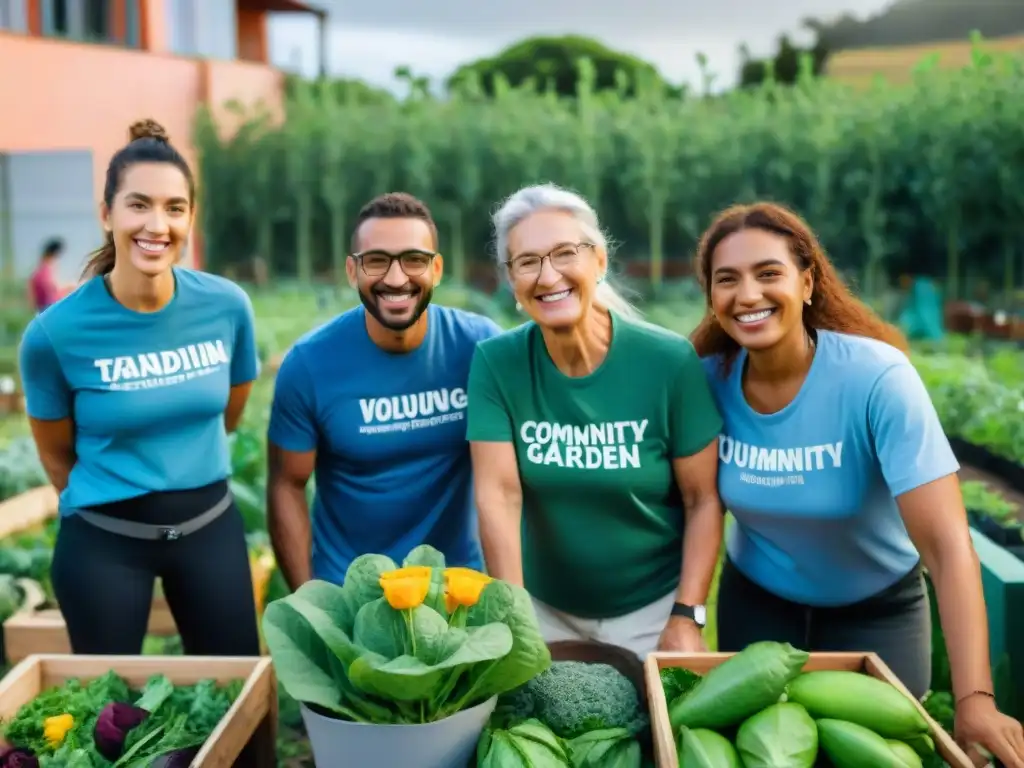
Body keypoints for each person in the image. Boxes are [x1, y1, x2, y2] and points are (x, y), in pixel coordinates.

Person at [690, 202, 1024, 767]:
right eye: (728, 279)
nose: (747, 294)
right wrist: (687, 616)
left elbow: (946, 548)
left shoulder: (876, 380)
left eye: (768, 273)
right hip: (757, 608)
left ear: (808, 281)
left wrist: (975, 699)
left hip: (877, 612)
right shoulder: (704, 383)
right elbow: (695, 505)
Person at [17, 119, 261, 657]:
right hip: (105, 545)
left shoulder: (227, 307)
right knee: (109, 718)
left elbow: (229, 412)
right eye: (139, 205)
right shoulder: (54, 335)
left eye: (175, 208)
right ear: (107, 215)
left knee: (239, 695)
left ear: (190, 217)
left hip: (209, 529)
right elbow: (58, 458)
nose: (158, 224)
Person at [466, 183, 723, 660]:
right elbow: (499, 495)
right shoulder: (497, 364)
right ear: (511, 279)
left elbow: (702, 498)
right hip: (542, 609)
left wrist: (688, 615)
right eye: (527, 262)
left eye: (565, 253)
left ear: (599, 261)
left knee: (660, 734)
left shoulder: (667, 362)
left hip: (652, 610)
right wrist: (515, 620)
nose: (548, 276)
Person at [266, 192, 502, 590]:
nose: (396, 279)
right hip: (351, 596)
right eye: (376, 260)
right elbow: (286, 485)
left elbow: (513, 482)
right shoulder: (309, 365)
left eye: (414, 259)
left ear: (437, 268)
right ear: (352, 270)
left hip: (457, 592)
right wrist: (311, 602)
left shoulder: (479, 348)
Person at [27, 238, 66, 312]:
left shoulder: (39, 271)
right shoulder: (44, 271)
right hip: (47, 308)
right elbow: (50, 290)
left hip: (45, 308)